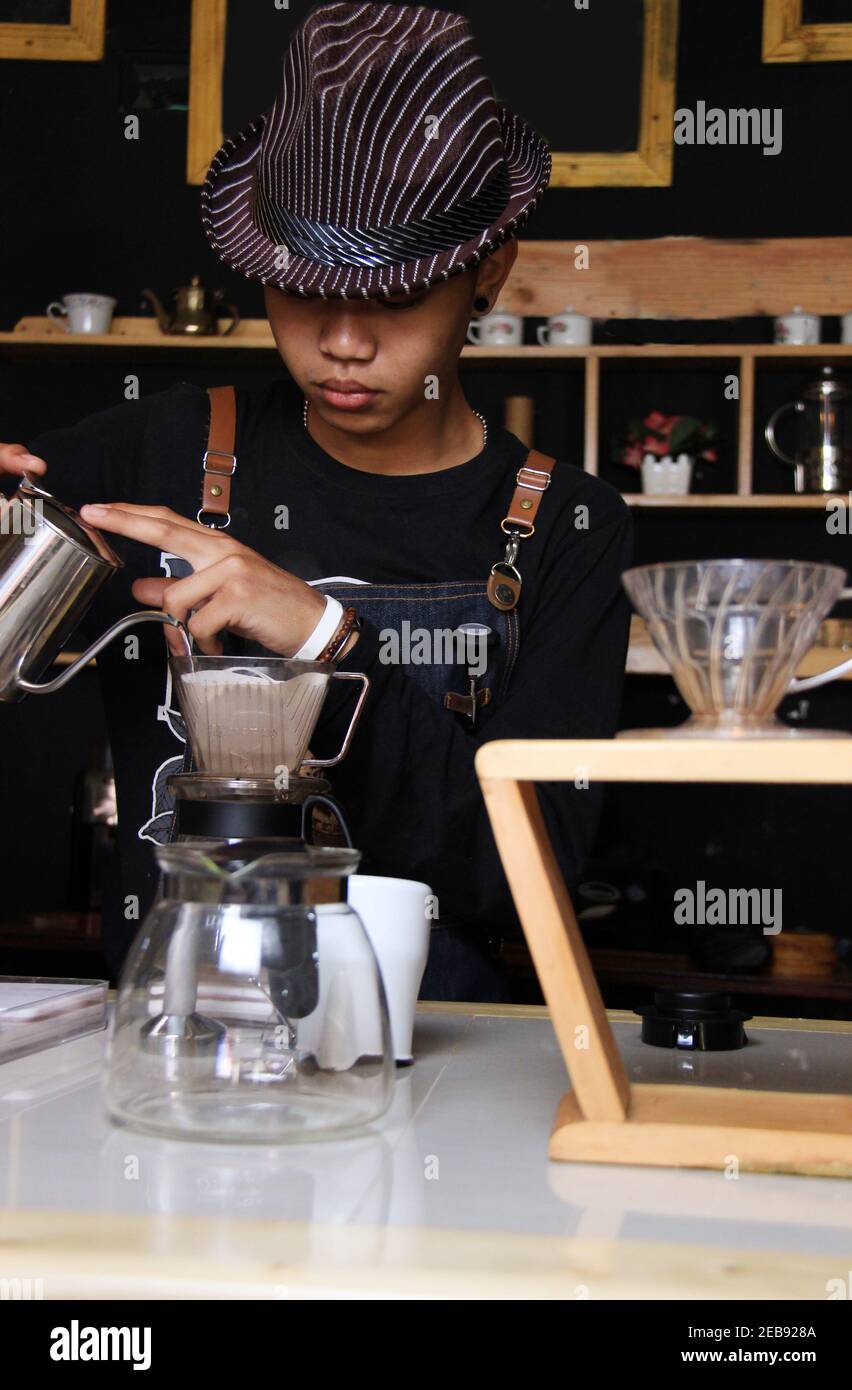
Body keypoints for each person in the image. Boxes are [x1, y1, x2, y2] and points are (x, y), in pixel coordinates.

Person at [0, 2, 633, 1001]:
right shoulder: (154, 447)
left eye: (391, 300)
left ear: (488, 274)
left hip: (444, 1068)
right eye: (302, 290)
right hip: (175, 1057)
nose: (342, 341)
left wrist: (326, 638)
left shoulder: (566, 527)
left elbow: (530, 875)